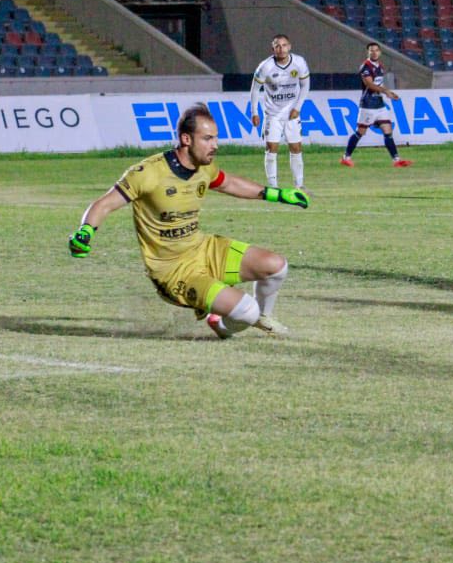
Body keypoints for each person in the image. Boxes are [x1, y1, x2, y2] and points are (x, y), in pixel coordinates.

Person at [67, 102, 309, 339]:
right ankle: (222, 324)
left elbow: (228, 183)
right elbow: (104, 203)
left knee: (276, 266)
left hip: (202, 249)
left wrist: (275, 194)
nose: (215, 145)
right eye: (207, 139)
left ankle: (262, 319)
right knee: (247, 311)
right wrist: (86, 231)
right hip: (173, 271)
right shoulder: (148, 173)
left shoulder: (204, 166)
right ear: (186, 139)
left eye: (215, 138)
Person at [250, 34, 311, 190]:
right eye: (278, 46)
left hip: (291, 113)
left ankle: (299, 185)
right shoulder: (265, 67)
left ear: (289, 46)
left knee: (296, 148)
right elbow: (255, 90)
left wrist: (297, 107)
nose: (281, 49)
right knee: (271, 147)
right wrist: (254, 112)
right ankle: (273, 186)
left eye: (284, 45)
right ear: (273, 49)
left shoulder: (299, 62)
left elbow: (305, 85)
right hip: (273, 114)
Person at [340, 41, 412, 168]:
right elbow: (370, 84)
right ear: (367, 52)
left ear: (380, 52)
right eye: (371, 50)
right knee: (360, 132)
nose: (374, 52)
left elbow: (379, 84)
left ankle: (396, 160)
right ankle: (346, 157)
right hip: (368, 104)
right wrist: (386, 91)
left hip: (379, 104)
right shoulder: (365, 66)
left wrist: (389, 93)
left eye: (376, 50)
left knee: (387, 130)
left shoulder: (380, 66)